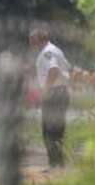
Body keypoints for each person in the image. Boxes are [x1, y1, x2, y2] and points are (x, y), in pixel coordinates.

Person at [30, 24, 71, 167]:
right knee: (56, 130)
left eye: (32, 40)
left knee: (50, 130)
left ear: (39, 39)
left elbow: (54, 70)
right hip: (60, 92)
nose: (31, 43)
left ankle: (55, 164)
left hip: (54, 93)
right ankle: (58, 164)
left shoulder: (48, 52)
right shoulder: (55, 50)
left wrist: (46, 90)